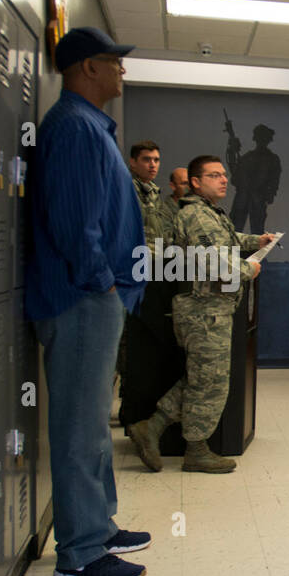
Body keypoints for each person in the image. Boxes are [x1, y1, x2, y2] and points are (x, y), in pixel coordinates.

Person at [26, 26, 150, 576]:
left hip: (93, 297)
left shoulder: (89, 126)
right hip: (80, 298)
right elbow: (77, 224)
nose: (122, 71)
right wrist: (101, 283)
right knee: (79, 426)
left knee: (93, 421)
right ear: (86, 68)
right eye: (114, 62)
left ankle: (96, 526)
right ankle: (79, 553)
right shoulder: (75, 128)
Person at [127, 155, 273, 473]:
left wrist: (256, 241)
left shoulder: (210, 214)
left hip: (211, 310)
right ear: (195, 182)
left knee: (202, 379)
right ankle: (195, 449)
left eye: (224, 175)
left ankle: (150, 429)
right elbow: (215, 262)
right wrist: (249, 268)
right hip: (204, 312)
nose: (223, 180)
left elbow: (226, 243)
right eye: (214, 175)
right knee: (209, 384)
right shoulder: (197, 216)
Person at [119, 140, 184, 429]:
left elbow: (161, 234)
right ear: (133, 162)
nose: (153, 164)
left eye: (156, 159)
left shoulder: (154, 193)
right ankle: (122, 406)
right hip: (130, 273)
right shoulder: (126, 189)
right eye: (146, 159)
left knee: (137, 343)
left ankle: (131, 405)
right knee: (122, 343)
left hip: (153, 273)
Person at [229, 123, 281, 235]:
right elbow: (235, 175)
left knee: (257, 232)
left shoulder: (272, 159)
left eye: (264, 137)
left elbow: (274, 179)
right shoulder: (247, 157)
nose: (261, 140)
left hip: (258, 197)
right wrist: (231, 151)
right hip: (243, 197)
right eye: (260, 136)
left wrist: (270, 194)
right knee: (235, 229)